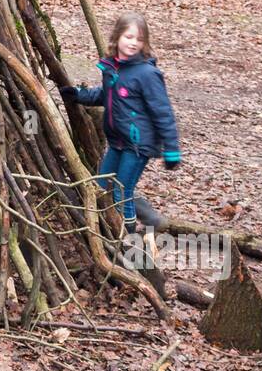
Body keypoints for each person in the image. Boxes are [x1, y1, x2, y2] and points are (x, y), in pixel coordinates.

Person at [58, 13, 181, 238]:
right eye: (129, 36)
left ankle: (128, 237)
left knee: (122, 192)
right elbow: (105, 95)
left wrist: (171, 150)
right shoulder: (113, 69)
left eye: (139, 39)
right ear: (117, 37)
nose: (133, 43)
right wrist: (78, 94)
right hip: (117, 142)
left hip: (137, 145)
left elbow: (163, 112)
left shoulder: (147, 74)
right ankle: (141, 220)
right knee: (101, 186)